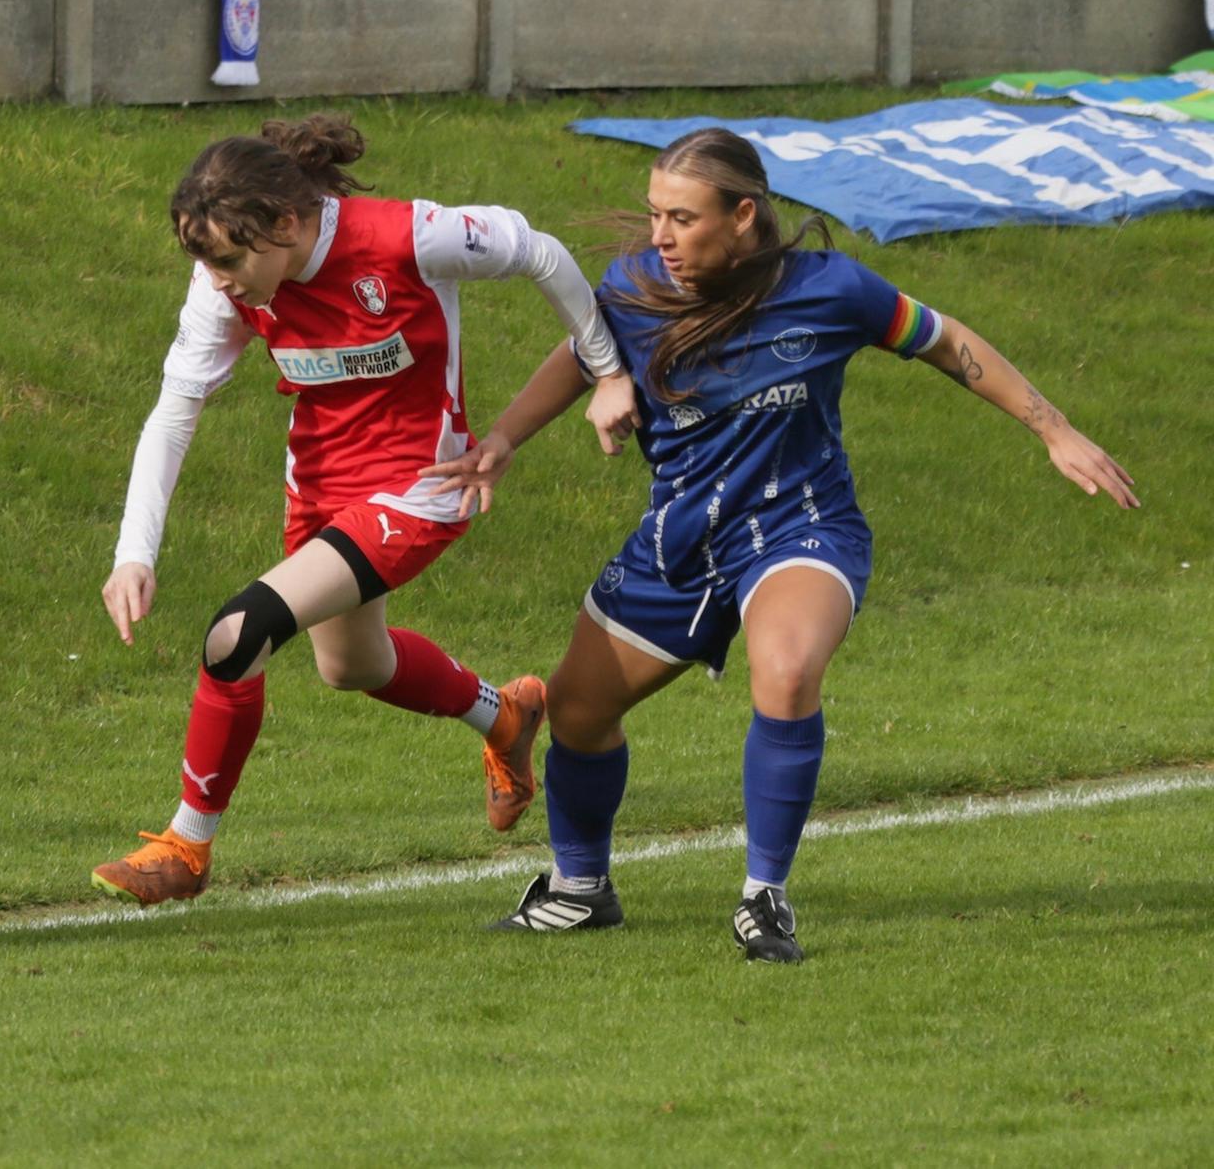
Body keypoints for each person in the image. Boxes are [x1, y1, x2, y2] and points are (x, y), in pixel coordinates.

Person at [424, 128, 1138, 961]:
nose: (659, 236)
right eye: (655, 214)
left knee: (788, 671)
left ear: (743, 216)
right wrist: (507, 439)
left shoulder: (831, 290)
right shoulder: (637, 287)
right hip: (681, 537)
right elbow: (580, 357)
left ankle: (764, 898)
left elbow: (945, 339)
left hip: (801, 524)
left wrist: (1053, 430)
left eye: (681, 218)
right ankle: (581, 889)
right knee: (579, 713)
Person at [92, 112, 639, 906]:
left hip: (420, 486)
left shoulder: (410, 238)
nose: (218, 279)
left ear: (287, 223)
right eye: (205, 260)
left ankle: (186, 849)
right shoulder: (226, 283)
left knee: (234, 636)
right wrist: (133, 552)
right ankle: (506, 716)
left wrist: (607, 369)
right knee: (353, 666)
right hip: (319, 486)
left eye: (231, 259)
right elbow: (176, 408)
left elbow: (541, 252)